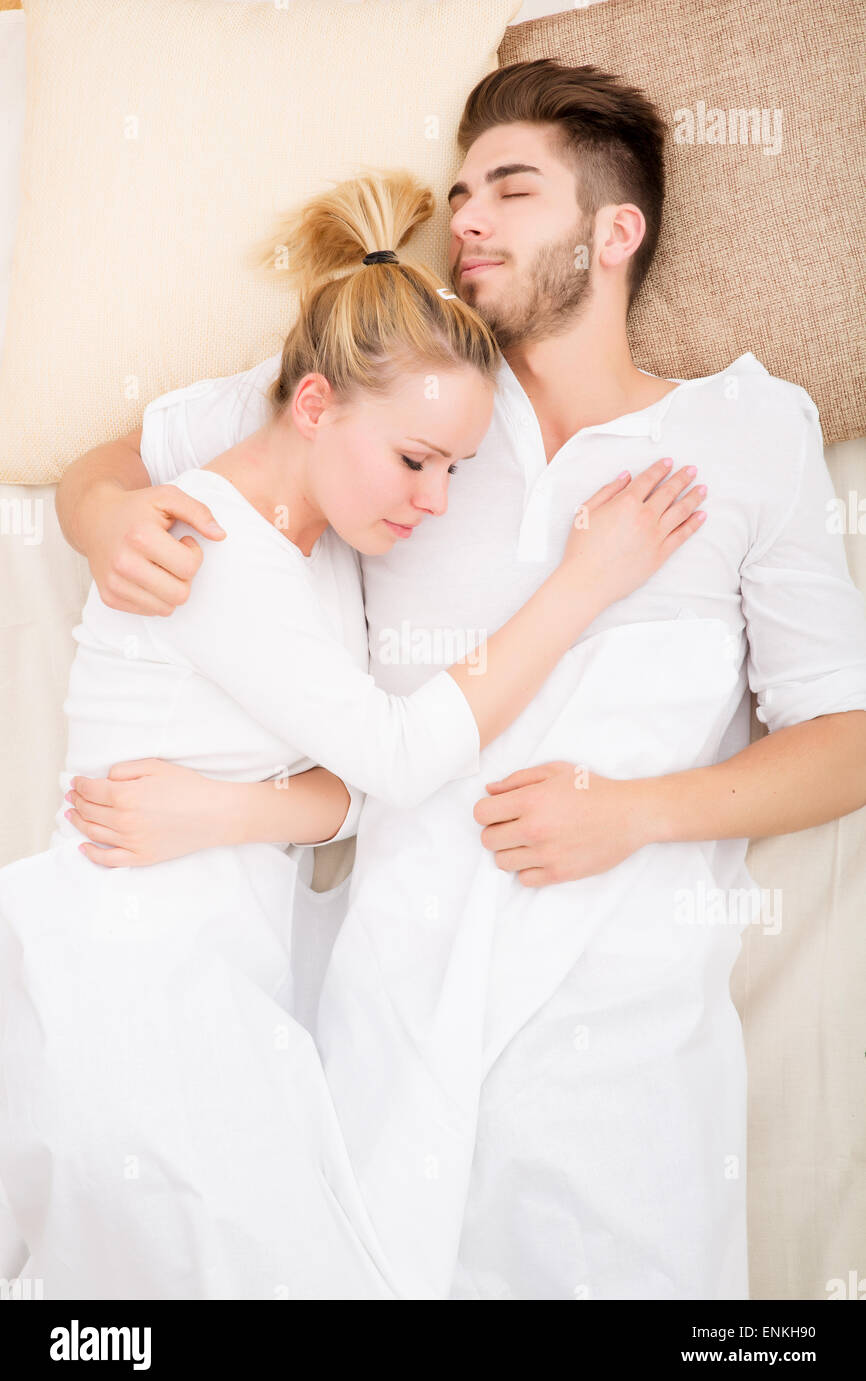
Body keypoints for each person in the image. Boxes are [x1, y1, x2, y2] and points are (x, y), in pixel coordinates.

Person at [48, 61, 866, 1300]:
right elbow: (127, 458)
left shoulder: (747, 434)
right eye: (458, 189)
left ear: (613, 230)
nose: (466, 217)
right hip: (393, 988)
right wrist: (104, 516)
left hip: (621, 1006)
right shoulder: (405, 391)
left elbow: (847, 733)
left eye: (509, 189)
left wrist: (636, 812)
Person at [0, 169, 704, 1300]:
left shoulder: (319, 540)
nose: (432, 500)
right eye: (415, 460)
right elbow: (399, 758)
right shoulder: (209, 544)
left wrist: (232, 809)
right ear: (316, 404)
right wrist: (580, 583)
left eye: (454, 472)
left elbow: (365, 786)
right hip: (133, 961)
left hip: (227, 956)